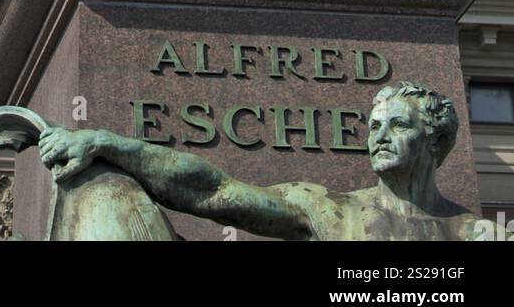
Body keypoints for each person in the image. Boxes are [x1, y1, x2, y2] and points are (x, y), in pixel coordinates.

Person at [37, 81, 482, 242]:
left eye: (398, 126)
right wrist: (107, 143)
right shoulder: (330, 211)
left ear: (436, 141)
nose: (379, 137)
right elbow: (214, 192)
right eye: (373, 127)